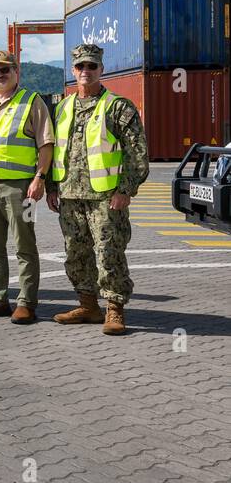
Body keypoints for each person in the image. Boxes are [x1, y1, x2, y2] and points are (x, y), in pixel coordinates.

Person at [48, 43, 149, 336]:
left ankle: (114, 309)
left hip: (106, 197)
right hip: (69, 195)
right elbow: (56, 150)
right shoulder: (63, 107)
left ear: (101, 69)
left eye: (91, 66)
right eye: (80, 66)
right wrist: (54, 187)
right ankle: (88, 305)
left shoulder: (117, 106)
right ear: (73, 70)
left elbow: (137, 153)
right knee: (75, 253)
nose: (85, 71)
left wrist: (125, 189)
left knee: (109, 253)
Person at [0, 50, 54, 324]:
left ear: (16, 72)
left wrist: (39, 178)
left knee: (25, 246)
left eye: (4, 69)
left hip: (20, 189)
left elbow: (46, 144)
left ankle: (26, 302)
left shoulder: (31, 102)